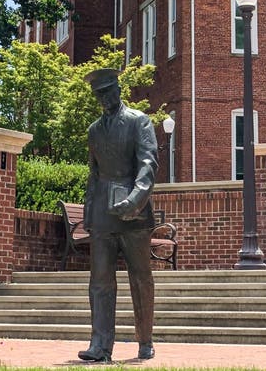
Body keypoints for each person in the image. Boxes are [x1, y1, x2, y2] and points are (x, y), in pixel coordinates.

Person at [77, 67, 158, 363]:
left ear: (119, 90)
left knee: (140, 278)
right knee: (99, 280)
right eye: (100, 94)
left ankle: (145, 340)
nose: (105, 98)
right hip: (103, 214)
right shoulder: (94, 131)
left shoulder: (139, 122)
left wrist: (135, 200)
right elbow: (94, 175)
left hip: (134, 215)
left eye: (109, 91)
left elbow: (147, 166)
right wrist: (89, 213)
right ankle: (100, 345)